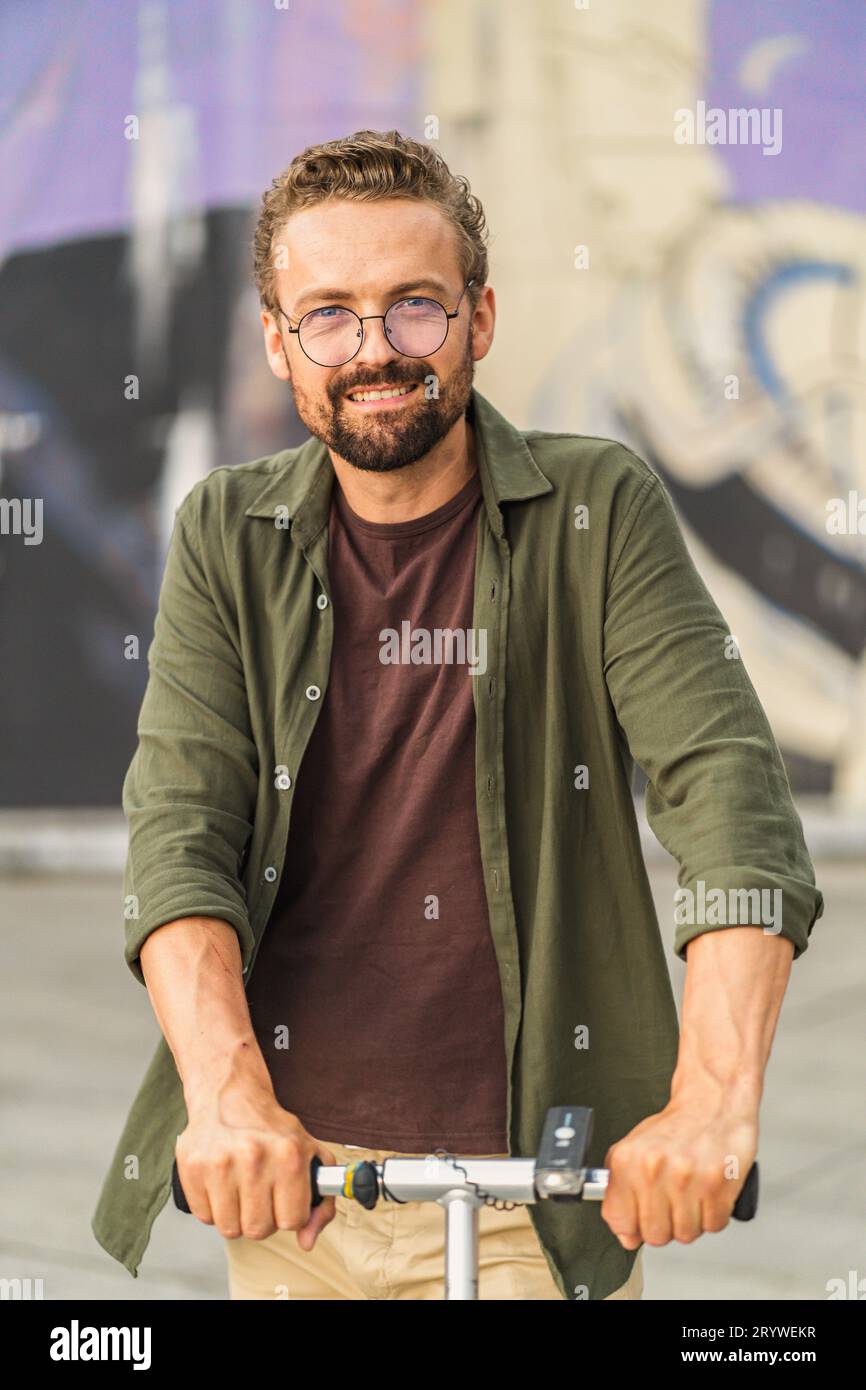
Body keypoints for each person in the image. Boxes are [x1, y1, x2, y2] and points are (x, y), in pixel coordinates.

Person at [92, 129, 823, 1300]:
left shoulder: (597, 507)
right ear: (278, 345)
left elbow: (730, 802)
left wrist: (708, 1103)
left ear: (479, 321)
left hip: (538, 1196)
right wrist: (230, 1101)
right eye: (327, 314)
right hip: (297, 1203)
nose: (373, 349)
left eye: (414, 307)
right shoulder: (228, 532)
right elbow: (178, 838)